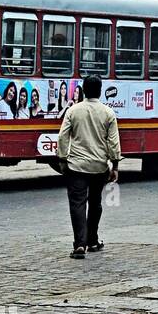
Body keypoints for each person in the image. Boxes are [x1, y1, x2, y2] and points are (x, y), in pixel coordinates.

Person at [57, 75, 121, 260]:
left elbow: (63, 137)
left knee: (77, 204)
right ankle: (92, 240)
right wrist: (114, 165)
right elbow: (113, 142)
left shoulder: (73, 111)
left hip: (76, 166)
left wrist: (62, 159)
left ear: (83, 90)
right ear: (100, 91)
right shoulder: (108, 113)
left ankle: (79, 245)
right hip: (99, 167)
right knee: (95, 203)